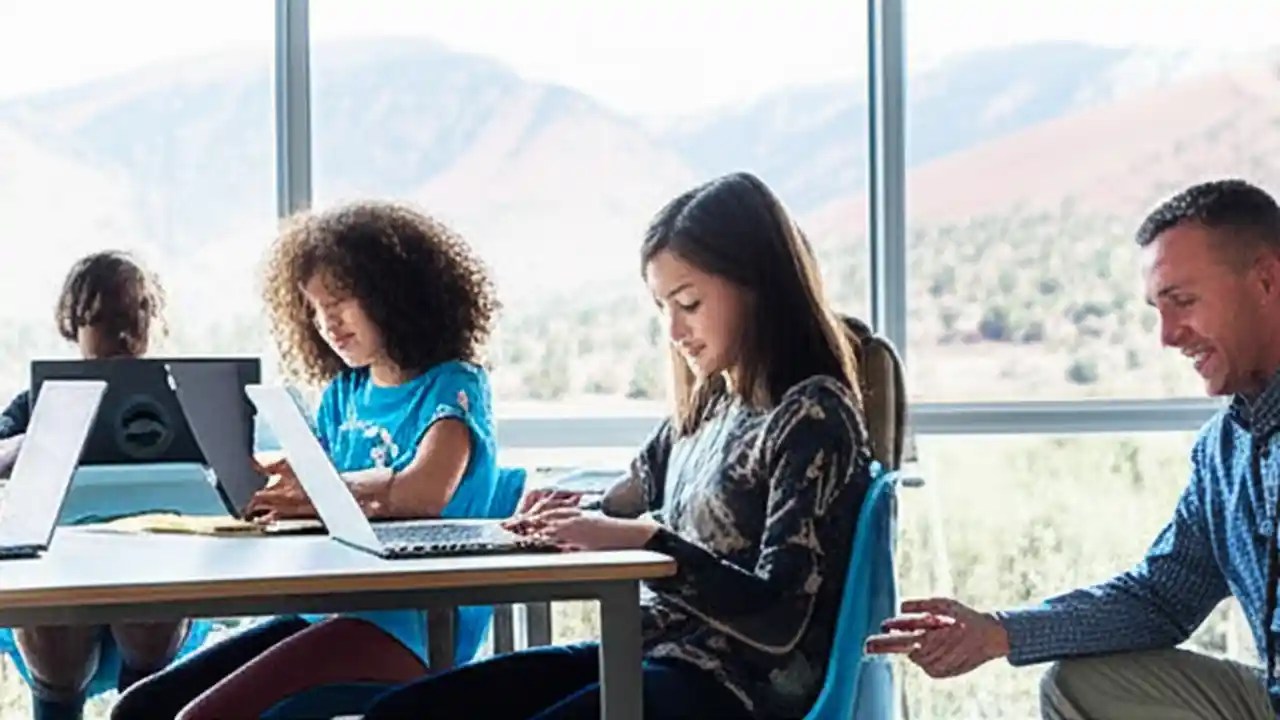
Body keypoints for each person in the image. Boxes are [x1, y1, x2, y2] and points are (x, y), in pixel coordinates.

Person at [355, 171, 875, 720]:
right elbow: (626, 496)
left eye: (689, 302)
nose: (674, 332)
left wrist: (649, 539)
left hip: (737, 688)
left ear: (760, 285)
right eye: (663, 308)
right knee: (405, 713)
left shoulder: (812, 415)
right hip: (659, 653)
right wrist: (567, 508)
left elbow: (780, 618)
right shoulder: (712, 403)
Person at [866, 178, 1280, 720]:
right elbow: (1160, 597)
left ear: (1267, 280)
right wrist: (997, 632)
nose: (1168, 336)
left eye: (1183, 301)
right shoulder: (1223, 453)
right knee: (1082, 684)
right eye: (1158, 309)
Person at [110, 201, 502, 720]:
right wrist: (259, 479)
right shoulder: (344, 394)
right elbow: (313, 488)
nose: (327, 323)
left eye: (340, 302)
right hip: (330, 608)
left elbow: (424, 493)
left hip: (410, 625)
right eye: (315, 308)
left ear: (394, 296)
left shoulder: (451, 385)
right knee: (140, 708)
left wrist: (319, 491)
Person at [0, 250, 205, 720]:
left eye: (138, 314)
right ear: (74, 326)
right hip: (63, 569)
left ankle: (143, 704)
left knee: (151, 608)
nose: (125, 333)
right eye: (105, 319)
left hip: (153, 565)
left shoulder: (185, 397)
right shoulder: (40, 400)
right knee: (50, 623)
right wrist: (40, 438)